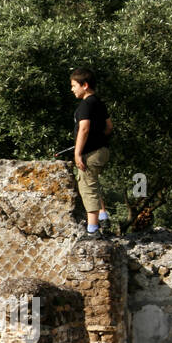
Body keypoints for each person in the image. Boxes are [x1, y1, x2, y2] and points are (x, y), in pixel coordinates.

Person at [69, 67, 113, 237]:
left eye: (74, 85)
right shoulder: (99, 103)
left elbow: (84, 129)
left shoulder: (85, 105)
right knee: (93, 183)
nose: (72, 89)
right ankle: (103, 216)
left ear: (84, 85)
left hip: (90, 153)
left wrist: (77, 153)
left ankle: (92, 231)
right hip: (103, 151)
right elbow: (109, 127)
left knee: (87, 187)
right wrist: (99, 138)